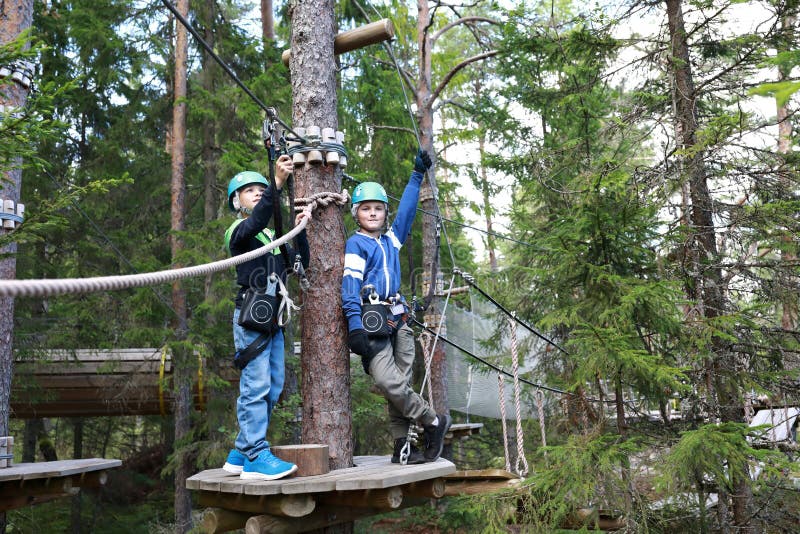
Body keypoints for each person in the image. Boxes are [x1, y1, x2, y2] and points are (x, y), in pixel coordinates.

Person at [341, 149, 452, 464]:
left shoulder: (391, 241)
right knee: (388, 382)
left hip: (399, 319)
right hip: (372, 322)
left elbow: (406, 212)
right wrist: (354, 326)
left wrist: (416, 176)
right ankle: (433, 421)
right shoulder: (356, 244)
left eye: (378, 208)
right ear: (356, 213)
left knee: (398, 386)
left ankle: (403, 448)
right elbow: (350, 287)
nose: (373, 213)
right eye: (366, 209)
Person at [221, 155, 310, 480]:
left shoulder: (272, 237)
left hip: (272, 319)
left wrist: (299, 229)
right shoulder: (240, 232)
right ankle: (256, 454)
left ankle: (241, 452)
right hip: (251, 316)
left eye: (261, 188)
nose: (257, 193)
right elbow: (257, 220)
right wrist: (275, 184)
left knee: (274, 387)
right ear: (236, 201)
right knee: (256, 385)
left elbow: (300, 263)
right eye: (249, 190)